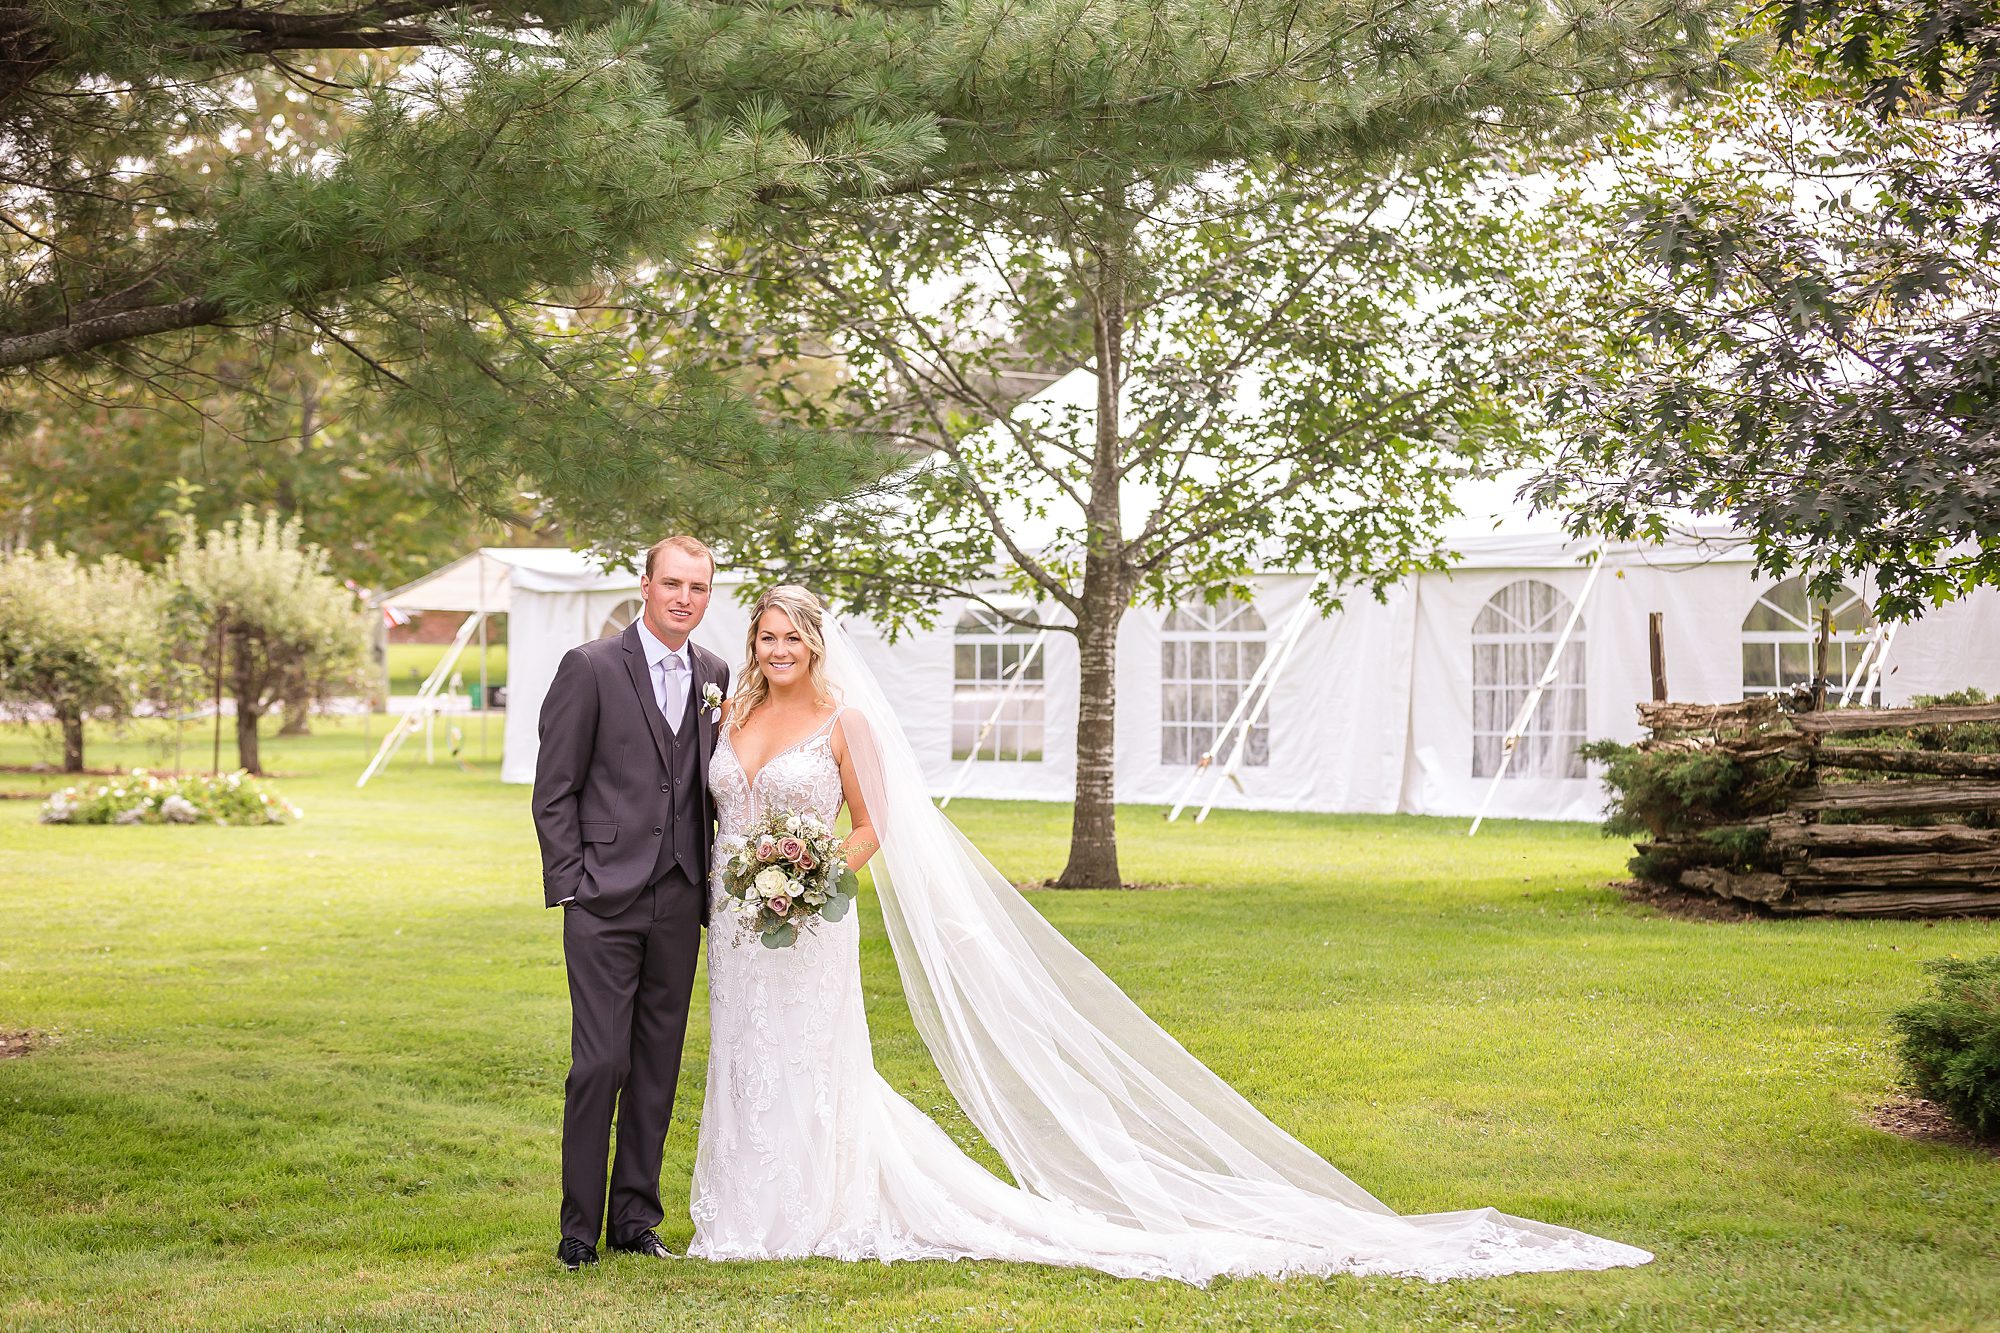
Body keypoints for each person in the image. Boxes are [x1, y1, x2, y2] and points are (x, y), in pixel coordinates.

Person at [689, 584, 1653, 1283]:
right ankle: (740, 1208)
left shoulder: (843, 719)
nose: (778, 650)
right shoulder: (732, 711)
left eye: (792, 637)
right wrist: (753, 883)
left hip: (807, 925)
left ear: (816, 643)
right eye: (766, 636)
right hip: (734, 932)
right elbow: (719, 810)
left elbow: (872, 825)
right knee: (744, 1058)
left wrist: (815, 880)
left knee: (811, 1061)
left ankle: (814, 1204)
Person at [532, 535, 730, 1271]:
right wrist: (573, 882)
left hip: (680, 896)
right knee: (600, 1061)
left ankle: (635, 1219)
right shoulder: (589, 667)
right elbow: (554, 788)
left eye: (699, 587)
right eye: (673, 583)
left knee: (656, 1062)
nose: (685, 598)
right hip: (603, 898)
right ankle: (579, 1226)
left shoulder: (715, 673)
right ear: (645, 585)